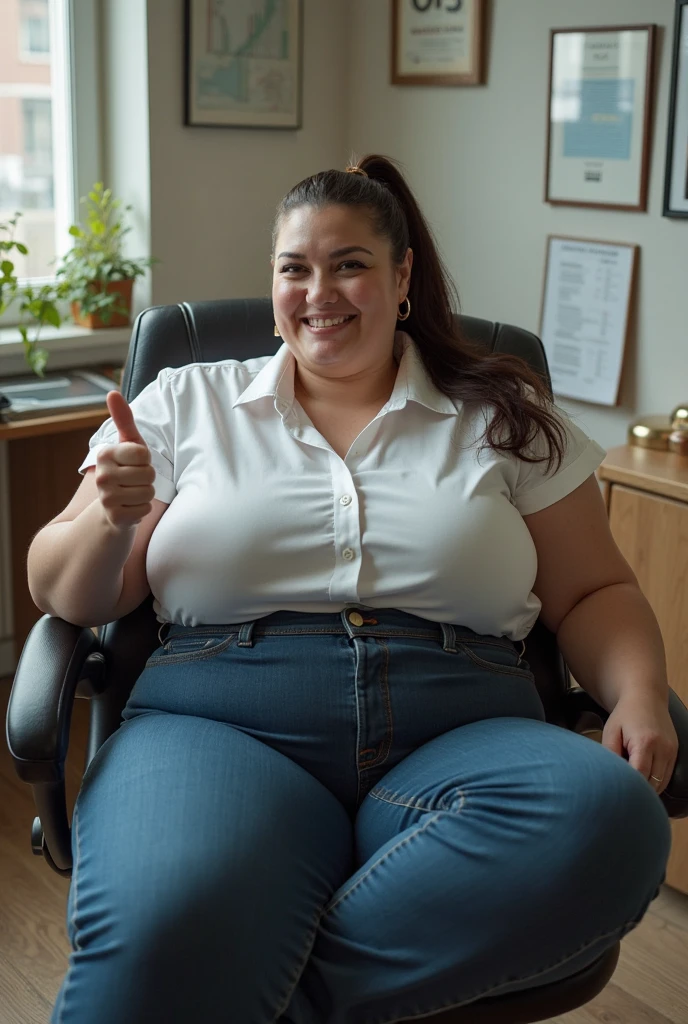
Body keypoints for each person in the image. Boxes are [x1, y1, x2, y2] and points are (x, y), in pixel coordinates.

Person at [28, 154, 676, 1024]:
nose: (317, 290)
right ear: (272, 281)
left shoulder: (504, 414)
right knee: (166, 915)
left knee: (611, 822)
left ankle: (266, 994)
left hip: (462, 729)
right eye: (294, 267)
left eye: (350, 265)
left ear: (402, 277)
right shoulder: (185, 403)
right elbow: (65, 592)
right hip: (221, 723)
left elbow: (595, 590)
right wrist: (110, 518)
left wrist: (637, 693)